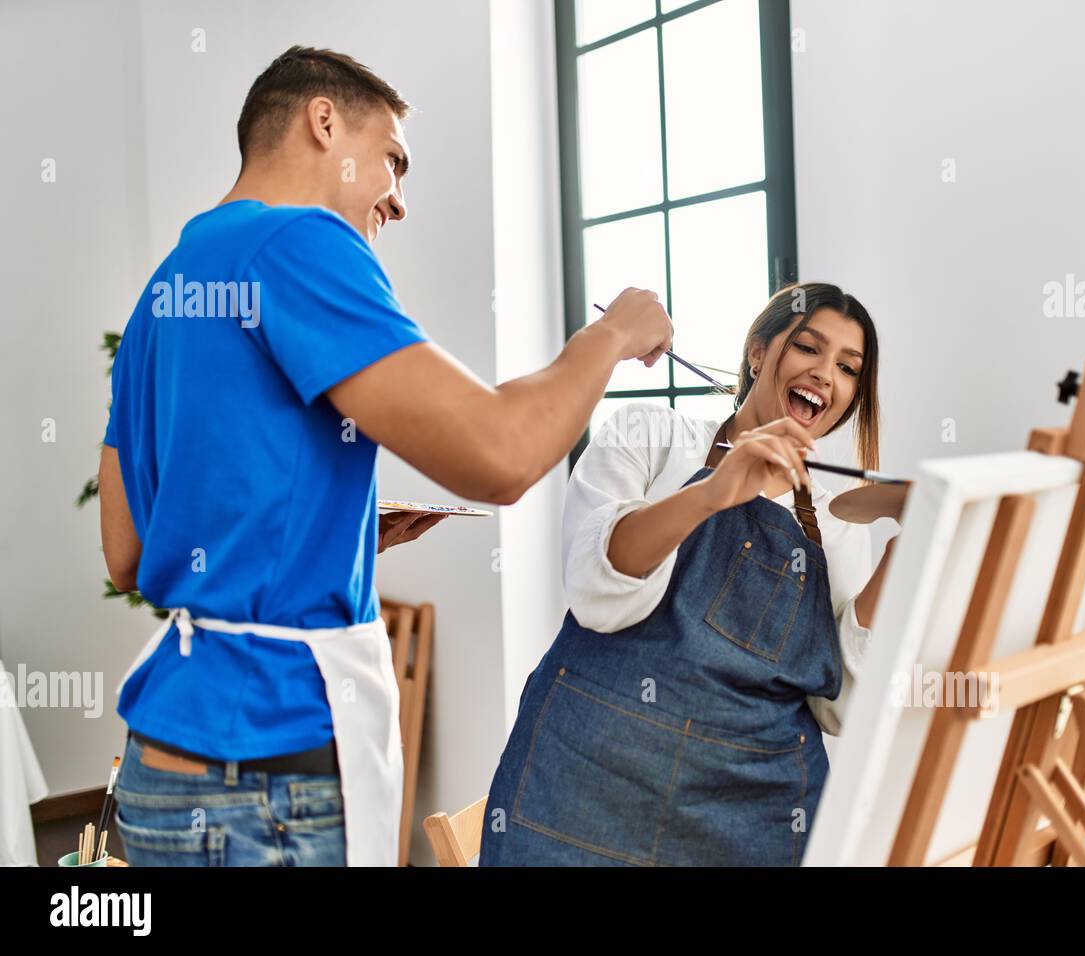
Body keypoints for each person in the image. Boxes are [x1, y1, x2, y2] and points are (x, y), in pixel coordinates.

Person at [97, 46, 671, 867]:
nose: (398, 200)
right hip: (266, 777)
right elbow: (501, 452)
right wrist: (611, 335)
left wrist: (334, 538)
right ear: (323, 122)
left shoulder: (162, 293)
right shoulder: (300, 242)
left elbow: (126, 553)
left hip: (164, 766)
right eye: (394, 161)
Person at [480, 282, 889, 866]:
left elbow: (838, 707)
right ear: (757, 352)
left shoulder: (843, 524)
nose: (826, 374)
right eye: (808, 348)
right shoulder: (649, 437)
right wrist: (714, 494)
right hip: (585, 793)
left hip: (755, 821)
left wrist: (912, 538)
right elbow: (598, 595)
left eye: (848, 368)